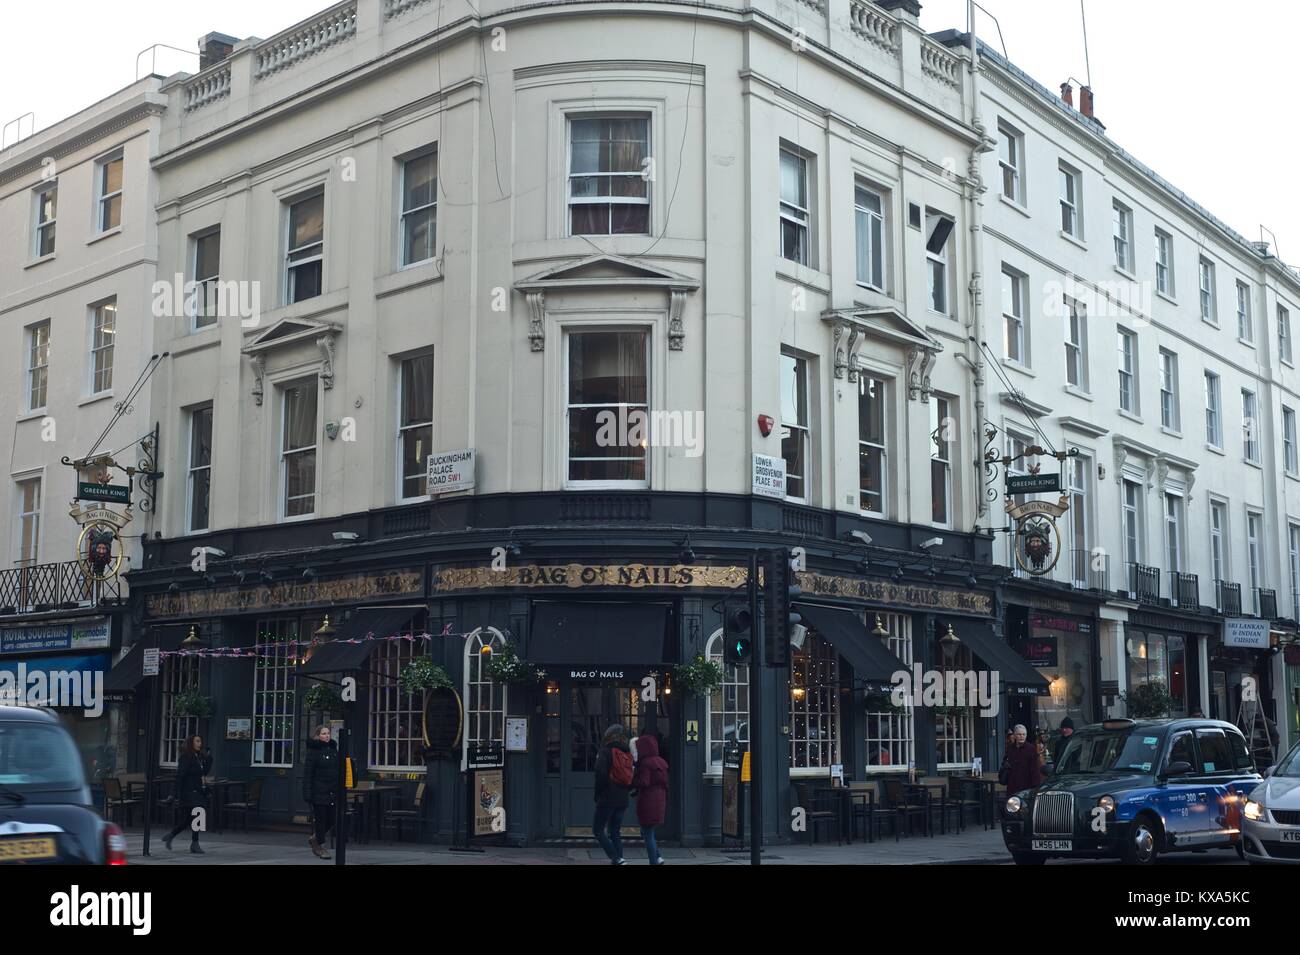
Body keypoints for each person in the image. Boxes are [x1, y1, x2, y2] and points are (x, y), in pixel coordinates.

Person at [163, 735, 212, 854]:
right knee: (197, 815)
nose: (200, 744)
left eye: (201, 741)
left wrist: (209, 758)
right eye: (197, 741)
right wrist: (173, 794)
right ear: (191, 743)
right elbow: (179, 776)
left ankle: (171, 835)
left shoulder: (198, 757)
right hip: (189, 792)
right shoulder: (185, 758)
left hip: (197, 791)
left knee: (189, 819)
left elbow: (203, 772)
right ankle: (194, 844)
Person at [592, 724, 632, 865]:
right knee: (615, 831)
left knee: (597, 830)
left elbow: (600, 775)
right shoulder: (627, 752)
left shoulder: (605, 752)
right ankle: (619, 860)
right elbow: (630, 776)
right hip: (622, 799)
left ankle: (616, 857)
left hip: (607, 798)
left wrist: (598, 794)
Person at [631, 731, 669, 865]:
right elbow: (665, 784)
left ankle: (654, 860)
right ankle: (658, 857)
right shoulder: (662, 762)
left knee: (647, 833)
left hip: (647, 801)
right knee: (648, 831)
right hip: (660, 800)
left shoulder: (645, 763)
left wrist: (633, 781)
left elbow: (644, 782)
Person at [303, 724, 339, 860]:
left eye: (328, 733)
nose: (327, 735)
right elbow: (308, 775)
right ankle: (320, 847)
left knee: (332, 819)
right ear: (317, 736)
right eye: (323, 733)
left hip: (332, 791)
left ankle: (315, 839)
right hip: (318, 792)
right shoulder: (313, 752)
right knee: (321, 820)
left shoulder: (334, 751)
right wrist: (307, 794)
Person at [1000, 724, 1042, 794]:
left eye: (1024, 734)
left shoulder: (1031, 749)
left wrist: (1036, 787)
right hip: (1012, 785)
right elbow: (1005, 763)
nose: (1022, 736)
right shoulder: (1011, 748)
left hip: (1026, 786)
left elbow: (1035, 769)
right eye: (1019, 734)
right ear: (1015, 735)